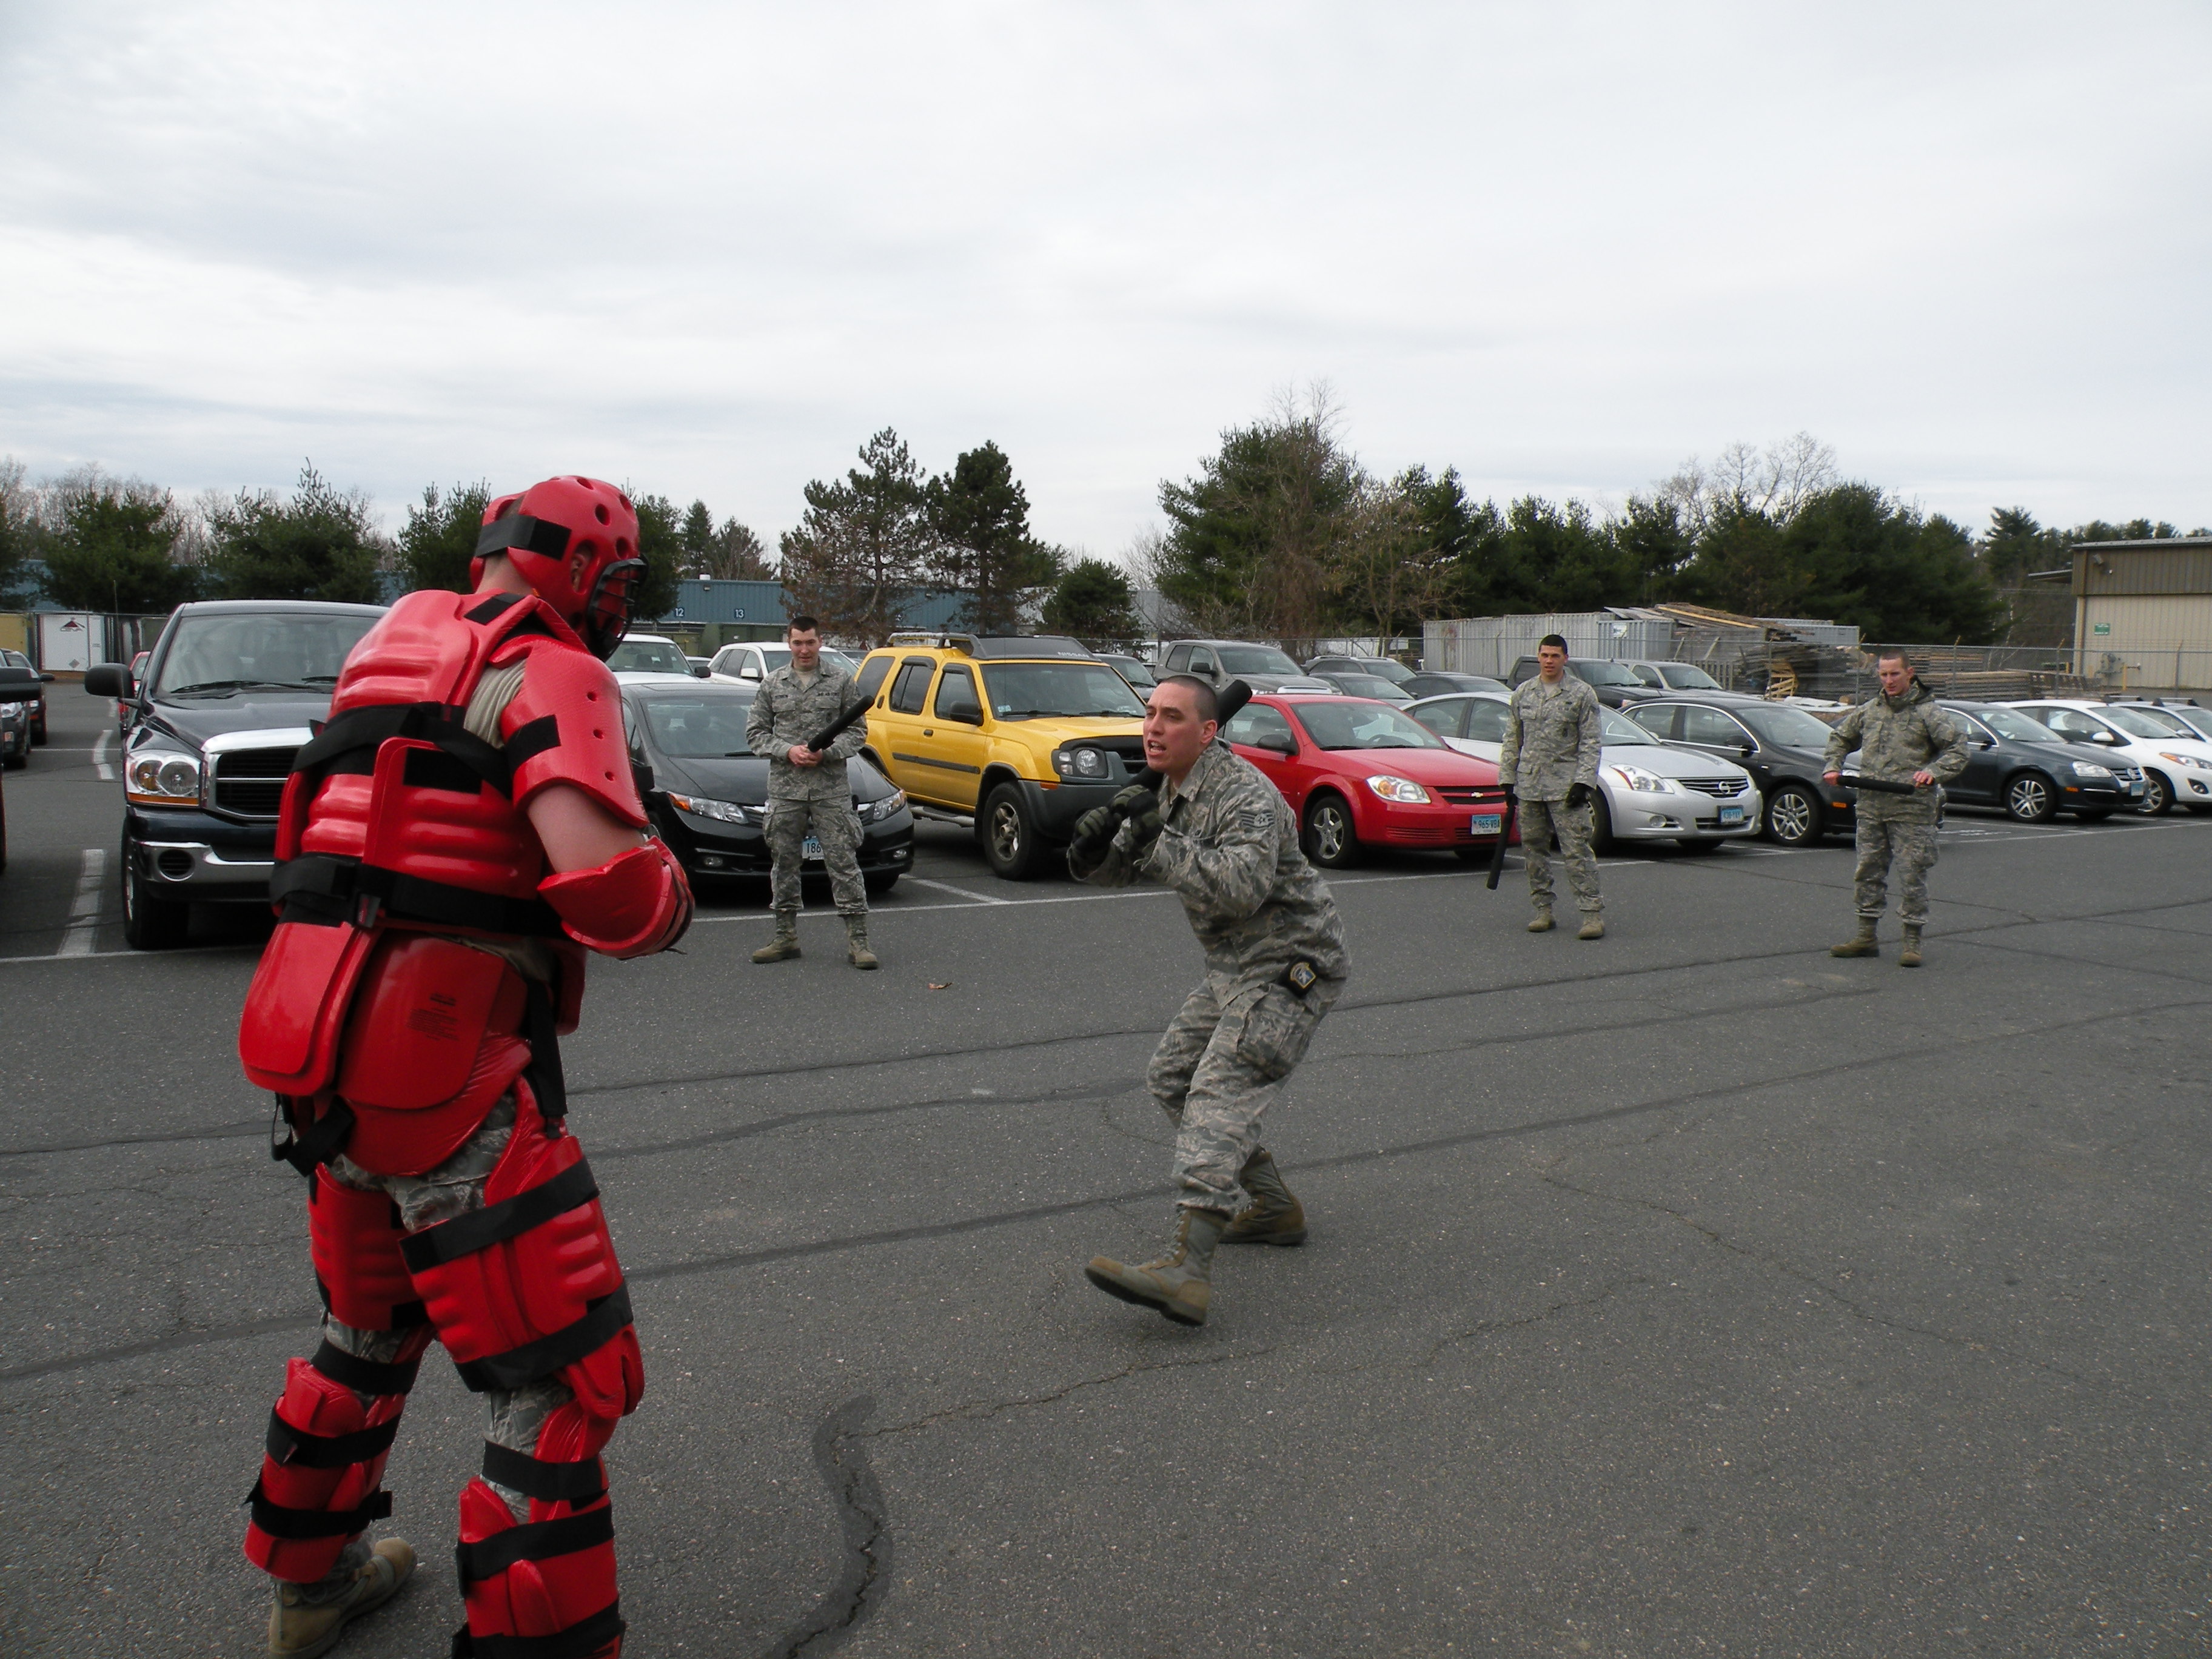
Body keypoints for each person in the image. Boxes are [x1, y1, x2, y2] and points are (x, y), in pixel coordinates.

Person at [234, 476, 692, 1658]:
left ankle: (312, 1585)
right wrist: (672, 880)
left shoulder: (392, 641)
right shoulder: (552, 669)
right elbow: (607, 891)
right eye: (619, 583)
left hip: (322, 1042)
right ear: (587, 574)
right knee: (561, 1383)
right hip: (449, 1067)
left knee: (367, 1329)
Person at [1067, 675, 1350, 1327]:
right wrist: (1089, 852)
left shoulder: (1243, 793)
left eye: (1171, 717)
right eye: (1149, 715)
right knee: (1171, 1078)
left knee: (1218, 1094)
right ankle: (1274, 1208)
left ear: (1208, 731)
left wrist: (1154, 839)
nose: (1154, 728)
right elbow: (1124, 864)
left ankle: (1187, 1271)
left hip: (1291, 963)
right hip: (1233, 964)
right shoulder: (1164, 789)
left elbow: (1242, 888)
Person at [744, 616, 876, 968]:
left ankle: (858, 942)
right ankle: (785, 938)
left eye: (811, 643)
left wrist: (825, 753)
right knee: (784, 864)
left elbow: (858, 733)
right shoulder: (773, 683)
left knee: (843, 863)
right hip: (786, 790)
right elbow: (755, 733)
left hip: (830, 789)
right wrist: (788, 750)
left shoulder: (841, 680)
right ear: (789, 643)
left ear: (821, 642)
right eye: (798, 643)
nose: (804, 650)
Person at [1822, 649, 1968, 967]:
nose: (1889, 680)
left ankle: (1912, 941)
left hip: (1912, 808)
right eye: (1884, 674)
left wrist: (1933, 773)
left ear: (1909, 673)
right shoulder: (1871, 710)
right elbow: (1840, 737)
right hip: (1872, 806)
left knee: (1912, 874)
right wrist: (1834, 766)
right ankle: (1866, 936)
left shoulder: (1928, 713)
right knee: (1868, 872)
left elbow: (1958, 750)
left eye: (1895, 674)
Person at [1499, 634, 1605, 939]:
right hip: (1530, 785)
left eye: (1555, 656)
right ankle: (1543, 910)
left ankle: (1591, 915)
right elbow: (1512, 738)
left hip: (1566, 787)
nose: (1548, 661)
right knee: (1534, 851)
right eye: (1544, 655)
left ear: (1565, 659)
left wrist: (1584, 782)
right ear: (1538, 657)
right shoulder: (1524, 693)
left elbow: (1591, 743)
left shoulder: (1582, 694)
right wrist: (1507, 778)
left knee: (1577, 851)